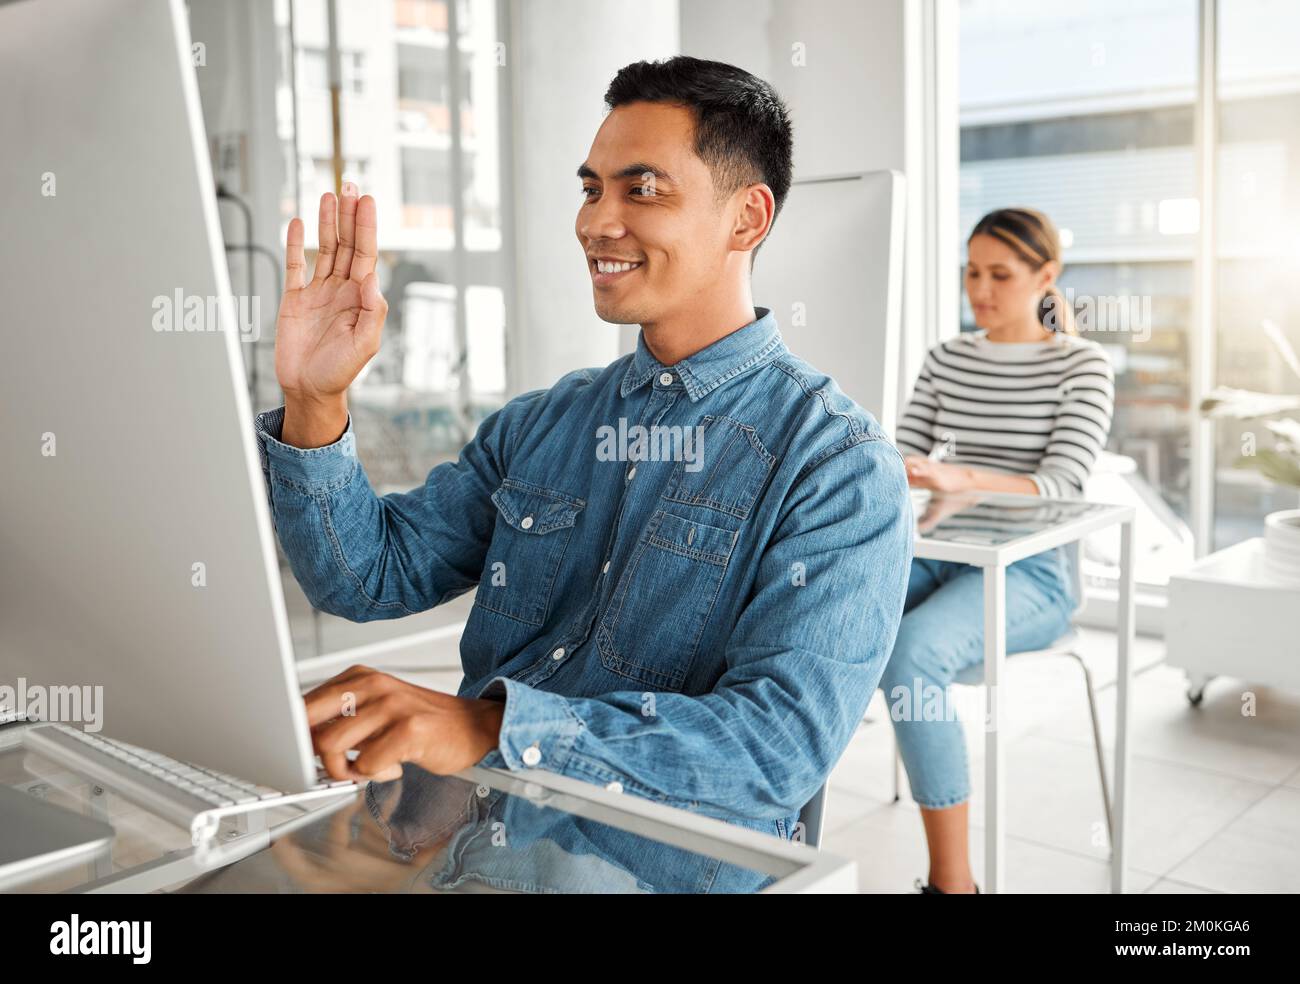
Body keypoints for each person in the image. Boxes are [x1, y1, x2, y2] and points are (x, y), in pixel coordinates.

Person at [254, 55, 913, 892]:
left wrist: (490, 729)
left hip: (632, 869)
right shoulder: (546, 422)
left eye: (642, 190)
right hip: (452, 827)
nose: (597, 222)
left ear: (747, 219)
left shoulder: (838, 468)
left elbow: (771, 751)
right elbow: (366, 579)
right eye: (591, 187)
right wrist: (316, 398)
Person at [889, 207, 1115, 894]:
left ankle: (953, 886)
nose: (978, 290)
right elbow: (899, 456)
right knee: (821, 612)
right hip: (945, 551)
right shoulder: (948, 358)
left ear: (1046, 276)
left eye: (999, 275)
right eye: (970, 271)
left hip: (1033, 575)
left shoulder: (1082, 365)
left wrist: (962, 478)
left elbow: (1062, 484)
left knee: (911, 653)